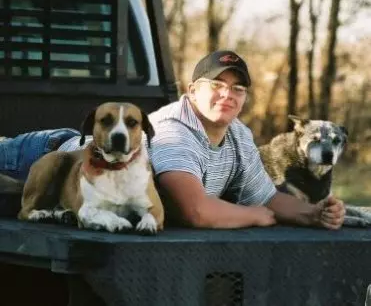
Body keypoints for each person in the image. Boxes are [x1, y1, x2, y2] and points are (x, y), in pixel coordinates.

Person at [0, 50, 345, 230]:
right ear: (192, 91)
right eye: (217, 85)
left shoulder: (238, 135)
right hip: (46, 157)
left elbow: (267, 198)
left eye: (237, 88)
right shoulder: (171, 131)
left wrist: (313, 214)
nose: (228, 94)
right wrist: (256, 216)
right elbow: (195, 211)